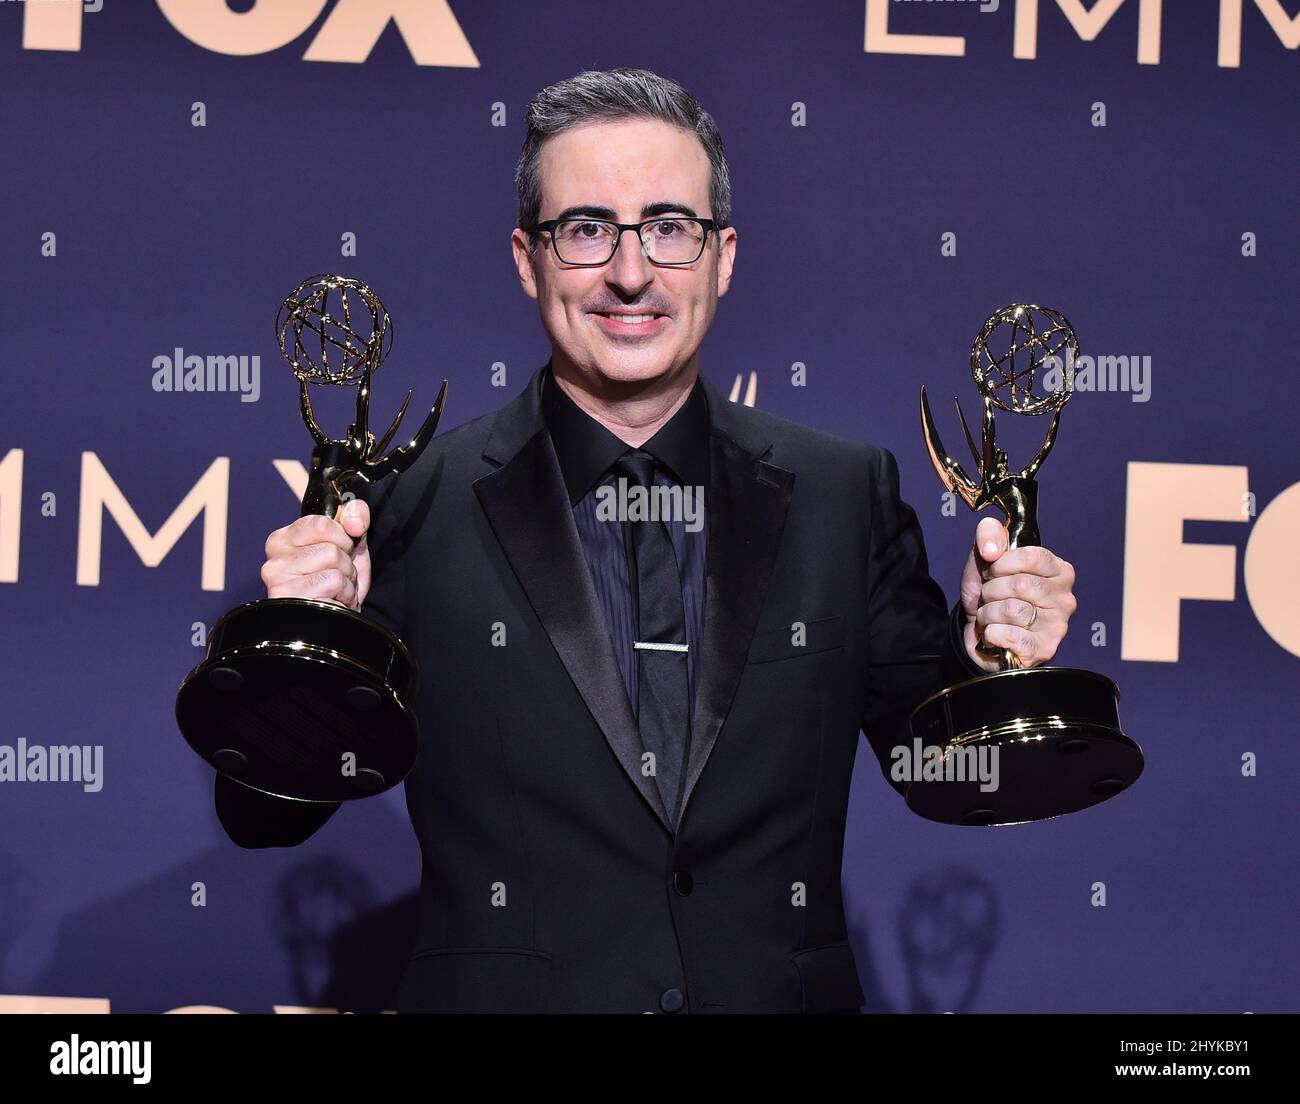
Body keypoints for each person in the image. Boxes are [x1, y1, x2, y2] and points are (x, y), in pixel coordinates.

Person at [219, 68, 1077, 1014]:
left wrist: (989, 654)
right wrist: (294, 648)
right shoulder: (412, 505)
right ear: (526, 259)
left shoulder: (846, 494)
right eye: (587, 229)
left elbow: (949, 774)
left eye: (671, 227)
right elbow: (262, 814)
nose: (632, 273)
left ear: (725, 256)